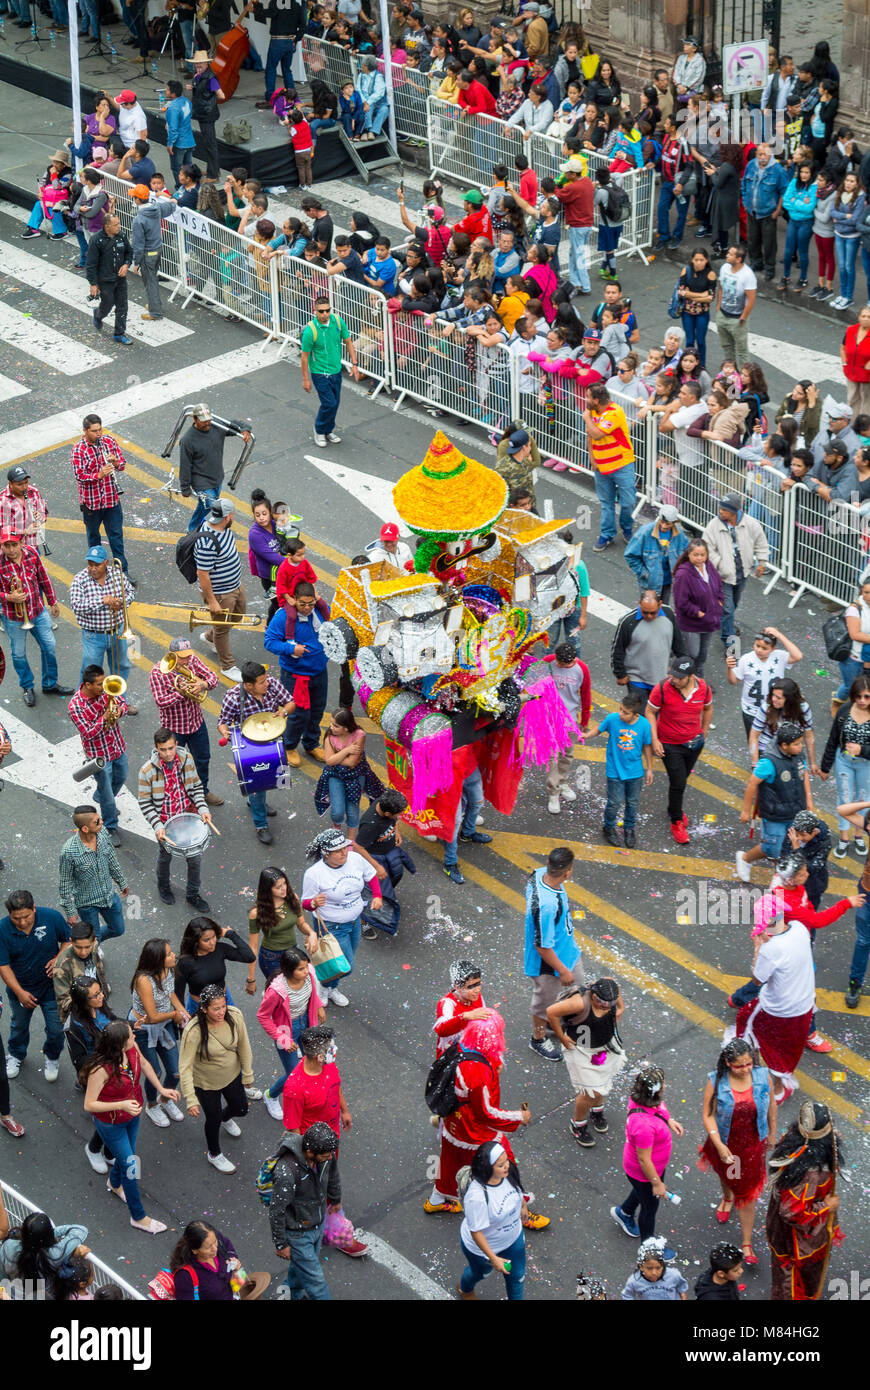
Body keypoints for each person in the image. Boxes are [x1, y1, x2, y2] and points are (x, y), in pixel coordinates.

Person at [81, 1020, 175, 1234]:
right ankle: (138, 1216)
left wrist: (161, 1088)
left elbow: (144, 1064)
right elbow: (89, 1104)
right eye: (131, 1036)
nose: (135, 1036)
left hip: (133, 1115)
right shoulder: (100, 1069)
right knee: (132, 1165)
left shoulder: (132, 1047)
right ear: (119, 1045)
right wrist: (121, 1104)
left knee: (129, 1157)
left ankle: (114, 1184)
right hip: (111, 1123)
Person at [699, 1039, 775, 1268]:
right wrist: (720, 1147)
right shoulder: (716, 1081)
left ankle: (746, 1242)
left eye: (749, 1064)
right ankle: (726, 1197)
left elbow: (771, 1104)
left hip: (751, 1147)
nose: (746, 1069)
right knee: (727, 1176)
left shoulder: (763, 1076)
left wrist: (772, 1131)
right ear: (728, 1063)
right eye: (739, 1066)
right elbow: (708, 1115)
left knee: (747, 1194)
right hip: (725, 1144)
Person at [766, 1102, 844, 1300]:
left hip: (807, 1232)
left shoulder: (794, 1139)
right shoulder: (809, 1172)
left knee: (809, 1275)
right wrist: (827, 1206)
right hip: (796, 1240)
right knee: (790, 1285)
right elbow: (791, 1212)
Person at [301, 828, 382, 1006]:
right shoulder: (314, 874)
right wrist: (313, 902)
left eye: (344, 847)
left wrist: (377, 895)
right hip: (332, 927)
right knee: (346, 966)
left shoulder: (355, 859)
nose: (344, 852)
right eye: (338, 851)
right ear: (326, 854)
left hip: (354, 922)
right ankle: (322, 985)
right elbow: (304, 903)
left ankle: (331, 988)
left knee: (342, 963)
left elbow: (371, 874)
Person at [179, 983, 255, 1174]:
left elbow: (244, 1044)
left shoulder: (235, 1015)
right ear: (204, 1009)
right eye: (216, 1008)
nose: (222, 1011)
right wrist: (190, 1098)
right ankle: (214, 1154)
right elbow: (185, 1066)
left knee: (241, 1108)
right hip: (205, 1084)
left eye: (223, 1006)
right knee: (212, 1119)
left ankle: (226, 1118)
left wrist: (247, 1072)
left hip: (232, 1075)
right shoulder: (194, 1031)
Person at [217, 662, 294, 844]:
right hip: (249, 746)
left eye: (265, 679)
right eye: (261, 682)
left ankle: (254, 802)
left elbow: (290, 703)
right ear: (248, 685)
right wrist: (224, 732)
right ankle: (261, 824)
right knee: (258, 784)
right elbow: (223, 722)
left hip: (271, 738)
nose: (266, 684)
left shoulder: (272, 684)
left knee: (268, 778)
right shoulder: (233, 697)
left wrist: (283, 712)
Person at [611, 1065, 683, 1255]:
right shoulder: (642, 1125)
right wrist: (657, 1183)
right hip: (644, 1172)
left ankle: (624, 1212)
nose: (665, 1086)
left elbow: (660, 1108)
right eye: (663, 1084)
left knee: (642, 1192)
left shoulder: (646, 1100)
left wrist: (669, 1120)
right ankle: (649, 1250)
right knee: (649, 1208)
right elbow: (644, 1160)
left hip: (652, 1171)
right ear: (657, 1090)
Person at [546, 976, 626, 1147]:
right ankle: (578, 1124)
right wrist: (561, 1037)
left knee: (601, 1083)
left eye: (609, 1003)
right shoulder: (580, 1003)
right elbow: (551, 1012)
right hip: (581, 1051)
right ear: (593, 994)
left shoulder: (610, 996)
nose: (605, 1006)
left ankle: (596, 1110)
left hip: (604, 1048)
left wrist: (620, 1008)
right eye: (600, 1001)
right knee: (589, 1092)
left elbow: (612, 983)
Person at [137, 728, 212, 910]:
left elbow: (195, 787)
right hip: (165, 823)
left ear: (176, 744)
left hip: (188, 817)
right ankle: (163, 886)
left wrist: (203, 808)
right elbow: (145, 804)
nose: (168, 754)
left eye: (171, 748)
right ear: (156, 748)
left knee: (195, 859)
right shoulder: (146, 771)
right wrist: (157, 826)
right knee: (165, 857)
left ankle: (193, 894)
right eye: (163, 750)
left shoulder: (187, 758)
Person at [0, 889, 68, 1085]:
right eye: (16, 918)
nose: (22, 923)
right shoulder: (2, 929)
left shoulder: (52, 917)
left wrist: (58, 958)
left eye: (26, 917)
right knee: (19, 1026)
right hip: (21, 989)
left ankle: (52, 1057)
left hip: (52, 988)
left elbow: (68, 940)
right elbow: (3, 966)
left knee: (56, 1029)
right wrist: (20, 993)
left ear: (34, 909)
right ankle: (16, 1054)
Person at [269, 1120, 341, 1300]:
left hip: (317, 1223)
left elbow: (333, 1176)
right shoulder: (286, 1172)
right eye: (325, 1155)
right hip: (298, 1234)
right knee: (316, 1282)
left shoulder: (325, 1156)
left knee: (300, 1268)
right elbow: (276, 1211)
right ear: (310, 1152)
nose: (330, 1158)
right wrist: (281, 1244)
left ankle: (290, 1293)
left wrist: (336, 1199)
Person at [645, 654, 713, 844]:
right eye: (672, 675)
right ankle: (676, 821)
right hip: (670, 744)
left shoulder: (704, 688)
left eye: (678, 677)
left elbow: (708, 708)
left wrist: (704, 731)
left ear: (691, 676)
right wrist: (655, 739)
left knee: (681, 780)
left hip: (694, 743)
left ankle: (672, 808)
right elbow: (650, 711)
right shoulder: (662, 688)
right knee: (679, 783)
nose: (673, 680)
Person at [523, 846, 583, 1061]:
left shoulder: (539, 874)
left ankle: (558, 1017)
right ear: (568, 872)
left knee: (575, 990)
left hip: (566, 952)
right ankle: (538, 1038)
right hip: (549, 965)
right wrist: (563, 971)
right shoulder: (547, 906)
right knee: (542, 1005)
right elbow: (542, 947)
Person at [0, 529, 68, 708]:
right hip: (13, 617)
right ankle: (27, 686)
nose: (11, 549)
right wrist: (8, 597)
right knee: (19, 654)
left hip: (37, 612)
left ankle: (50, 683)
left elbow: (43, 578)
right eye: (6, 545)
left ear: (21, 543)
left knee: (49, 647)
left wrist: (53, 602)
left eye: (14, 544)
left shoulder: (32, 554)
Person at [149, 637, 220, 802]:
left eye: (188, 656)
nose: (187, 660)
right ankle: (179, 797)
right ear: (171, 655)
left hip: (196, 723)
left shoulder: (192, 660)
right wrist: (181, 693)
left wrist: (202, 685)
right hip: (173, 728)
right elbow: (161, 701)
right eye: (182, 657)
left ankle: (202, 791)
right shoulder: (157, 672)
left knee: (202, 759)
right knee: (173, 764)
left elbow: (213, 678)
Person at [257, 947, 325, 1119]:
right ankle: (271, 1096)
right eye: (300, 969)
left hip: (307, 1023)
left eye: (306, 966)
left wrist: (319, 1006)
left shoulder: (309, 974)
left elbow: (313, 995)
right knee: (293, 1073)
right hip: (286, 1030)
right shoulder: (276, 991)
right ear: (289, 970)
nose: (306, 970)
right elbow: (263, 1016)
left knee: (312, 1062)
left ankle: (304, 1095)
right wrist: (283, 1039)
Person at [457, 1139, 528, 1301]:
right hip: (483, 1250)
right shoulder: (476, 1196)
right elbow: (476, 1232)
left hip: (513, 1241)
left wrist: (523, 1205)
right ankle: (465, 1290)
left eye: (506, 1161)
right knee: (480, 1273)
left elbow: (517, 1189)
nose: (507, 1166)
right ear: (488, 1168)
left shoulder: (509, 1173)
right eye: (500, 1165)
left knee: (517, 1278)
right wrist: (493, 1258)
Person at [128, 938, 187, 1131]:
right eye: (169, 954)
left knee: (175, 1071)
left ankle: (166, 1098)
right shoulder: (144, 980)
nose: (174, 955)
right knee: (156, 1072)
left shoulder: (168, 970)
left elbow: (171, 994)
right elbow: (151, 1017)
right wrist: (175, 1015)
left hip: (164, 1025)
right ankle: (152, 1104)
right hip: (144, 1029)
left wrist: (183, 1013)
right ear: (157, 959)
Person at [68, 667, 129, 845]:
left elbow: (123, 704)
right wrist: (104, 718)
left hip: (117, 747)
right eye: (100, 684)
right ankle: (110, 826)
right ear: (87, 684)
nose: (104, 687)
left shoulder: (106, 691)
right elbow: (87, 733)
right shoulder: (75, 706)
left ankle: (101, 796)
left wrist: (119, 711)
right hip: (99, 756)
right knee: (108, 794)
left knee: (122, 776)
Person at [586, 692, 653, 848]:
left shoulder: (644, 725)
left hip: (635, 772)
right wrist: (586, 735)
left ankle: (629, 828)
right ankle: (608, 827)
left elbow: (647, 746)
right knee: (614, 803)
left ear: (635, 714)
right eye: (621, 709)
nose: (621, 714)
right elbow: (599, 729)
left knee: (632, 802)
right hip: (614, 770)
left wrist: (649, 769)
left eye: (625, 712)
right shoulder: (612, 719)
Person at [701, 495, 769, 649]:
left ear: (735, 511)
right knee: (728, 608)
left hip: (742, 573)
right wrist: (721, 564)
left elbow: (761, 542)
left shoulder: (751, 524)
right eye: (720, 508)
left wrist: (761, 562)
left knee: (733, 604)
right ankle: (729, 641)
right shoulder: (713, 525)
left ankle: (724, 622)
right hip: (722, 576)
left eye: (724, 510)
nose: (720, 512)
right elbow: (707, 549)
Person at [69, 544, 136, 699]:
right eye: (90, 564)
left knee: (121, 667)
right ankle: (84, 703)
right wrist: (103, 601)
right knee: (90, 673)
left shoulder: (116, 574)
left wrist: (121, 602)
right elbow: (77, 606)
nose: (92, 568)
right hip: (93, 636)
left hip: (117, 631)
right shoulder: (80, 579)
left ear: (106, 563)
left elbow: (130, 591)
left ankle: (120, 701)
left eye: (97, 565)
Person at [58, 805, 128, 944]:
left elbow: (112, 859)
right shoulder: (69, 852)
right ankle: (92, 948)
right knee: (94, 939)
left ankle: (89, 942)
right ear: (85, 828)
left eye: (100, 818)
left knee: (118, 929)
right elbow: (64, 883)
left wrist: (121, 881)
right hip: (87, 904)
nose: (101, 822)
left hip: (108, 896)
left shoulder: (102, 834)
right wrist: (70, 911)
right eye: (97, 821)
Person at [70, 417, 130, 577]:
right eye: (94, 431)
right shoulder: (79, 450)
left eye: (100, 430)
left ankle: (122, 572)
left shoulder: (108, 441)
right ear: (85, 431)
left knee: (116, 536)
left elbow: (122, 464)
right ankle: (96, 572)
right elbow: (79, 475)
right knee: (94, 538)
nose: (98, 434)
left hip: (111, 499)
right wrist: (99, 475)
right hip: (92, 504)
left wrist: (115, 462)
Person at [180, 404, 252, 533]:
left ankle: (196, 529)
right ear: (195, 419)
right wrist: (185, 488)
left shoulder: (217, 426)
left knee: (204, 508)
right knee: (211, 508)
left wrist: (245, 430)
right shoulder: (188, 440)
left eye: (209, 419)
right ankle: (192, 532)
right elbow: (185, 466)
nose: (207, 423)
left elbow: (237, 424)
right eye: (203, 421)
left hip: (217, 478)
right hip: (201, 483)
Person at [299, 295, 359, 447]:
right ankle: (319, 430)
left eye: (327, 310)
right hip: (319, 373)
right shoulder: (310, 331)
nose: (325, 314)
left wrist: (354, 363)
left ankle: (328, 430)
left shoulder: (338, 321)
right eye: (321, 311)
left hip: (336, 371)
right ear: (315, 311)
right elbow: (304, 357)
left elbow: (348, 342)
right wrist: (305, 379)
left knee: (335, 402)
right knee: (329, 403)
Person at [582, 381, 636, 551]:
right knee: (606, 503)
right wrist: (592, 457)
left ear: (596, 400)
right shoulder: (592, 412)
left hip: (622, 464)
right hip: (601, 466)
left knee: (628, 502)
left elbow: (597, 434)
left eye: (588, 397)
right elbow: (590, 435)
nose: (585, 399)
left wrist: (586, 419)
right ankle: (607, 534)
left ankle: (627, 527)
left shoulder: (614, 412)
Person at [355, 787, 415, 936]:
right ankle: (363, 921)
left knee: (396, 875)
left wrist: (396, 832)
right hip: (373, 859)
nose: (401, 815)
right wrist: (377, 867)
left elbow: (395, 820)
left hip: (389, 852)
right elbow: (358, 847)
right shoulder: (370, 825)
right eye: (398, 813)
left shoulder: (386, 803)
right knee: (369, 892)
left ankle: (385, 896)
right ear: (387, 813)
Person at [610, 589, 685, 702]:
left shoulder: (668, 614)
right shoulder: (628, 622)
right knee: (643, 717)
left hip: (661, 679)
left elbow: (678, 643)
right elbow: (617, 650)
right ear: (639, 603)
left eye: (653, 613)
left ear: (660, 604)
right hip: (637, 680)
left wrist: (684, 668)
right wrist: (620, 674)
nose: (649, 616)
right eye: (645, 612)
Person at [727, 626, 802, 736]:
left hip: (774, 708)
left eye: (764, 648)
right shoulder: (746, 659)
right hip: (752, 711)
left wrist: (779, 635)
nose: (759, 650)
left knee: (775, 740)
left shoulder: (779, 656)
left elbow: (798, 656)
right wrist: (729, 668)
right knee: (755, 740)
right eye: (757, 646)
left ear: (773, 648)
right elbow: (733, 681)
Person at [541, 642, 590, 813]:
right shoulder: (548, 661)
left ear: (573, 661)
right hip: (549, 717)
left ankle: (561, 782)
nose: (559, 665)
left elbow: (586, 695)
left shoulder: (582, 669)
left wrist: (585, 720)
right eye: (558, 662)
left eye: (563, 664)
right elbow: (533, 683)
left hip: (569, 717)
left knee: (567, 754)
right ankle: (553, 792)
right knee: (552, 755)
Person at [169, 1220, 271, 1301]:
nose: (215, 1249)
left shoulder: (217, 1239)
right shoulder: (184, 1277)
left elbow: (229, 1249)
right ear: (195, 1250)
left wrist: (237, 1269)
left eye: (215, 1242)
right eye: (209, 1247)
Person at [175, 915, 256, 1014]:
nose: (212, 942)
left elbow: (249, 957)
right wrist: (182, 1015)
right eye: (206, 940)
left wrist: (231, 934)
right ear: (195, 942)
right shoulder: (185, 962)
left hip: (224, 1002)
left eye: (214, 937)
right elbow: (178, 993)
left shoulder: (220, 949)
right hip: (198, 1008)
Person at [671, 539, 724, 676]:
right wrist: (698, 613)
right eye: (696, 555)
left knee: (703, 653)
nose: (700, 558)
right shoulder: (683, 574)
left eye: (702, 555)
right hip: (692, 623)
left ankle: (698, 680)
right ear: (689, 554)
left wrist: (720, 600)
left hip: (709, 619)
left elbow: (717, 583)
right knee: (692, 653)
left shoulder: (709, 566)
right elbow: (681, 602)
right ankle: (682, 676)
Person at [0, 1209, 89, 1284]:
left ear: (23, 1233)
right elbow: (80, 1230)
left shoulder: (8, 1247)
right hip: (41, 1294)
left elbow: (2, 1274)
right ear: (49, 1234)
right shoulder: (55, 1254)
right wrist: (50, 1233)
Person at [742, 143, 788, 282]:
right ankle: (756, 262)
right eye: (759, 155)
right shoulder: (751, 165)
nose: (762, 157)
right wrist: (745, 202)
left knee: (769, 243)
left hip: (768, 213)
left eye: (765, 155)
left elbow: (784, 192)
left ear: (770, 154)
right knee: (752, 240)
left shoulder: (778, 170)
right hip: (752, 211)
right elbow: (744, 184)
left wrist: (778, 210)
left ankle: (769, 267)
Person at [86, 213, 133, 346]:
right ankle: (98, 314)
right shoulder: (96, 240)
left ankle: (119, 333)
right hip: (105, 280)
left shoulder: (122, 236)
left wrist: (126, 264)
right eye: (116, 225)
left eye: (118, 224)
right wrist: (93, 283)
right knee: (108, 304)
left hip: (120, 279)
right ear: (107, 226)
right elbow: (91, 264)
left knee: (122, 306)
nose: (119, 227)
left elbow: (129, 252)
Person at [442, 762, 493, 886]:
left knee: (477, 802)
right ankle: (450, 863)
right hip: (447, 773)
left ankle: (467, 833)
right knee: (454, 821)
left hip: (469, 767)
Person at [623, 505, 688, 602]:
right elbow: (630, 555)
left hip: (667, 582)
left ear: (675, 523)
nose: (664, 526)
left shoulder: (679, 535)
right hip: (649, 584)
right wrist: (644, 574)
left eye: (668, 524)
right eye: (662, 522)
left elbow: (687, 555)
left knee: (663, 610)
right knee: (647, 613)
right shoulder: (645, 532)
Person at [714, 246, 757, 366]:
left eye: (730, 254)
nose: (727, 255)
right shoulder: (724, 268)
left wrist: (743, 317)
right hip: (722, 315)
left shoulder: (748, 275)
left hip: (737, 319)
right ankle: (731, 379)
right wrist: (718, 307)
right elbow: (721, 288)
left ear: (738, 259)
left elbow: (751, 299)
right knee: (727, 349)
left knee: (742, 352)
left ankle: (745, 381)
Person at [187, 52, 224, 182]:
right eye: (196, 63)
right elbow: (201, 88)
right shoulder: (200, 76)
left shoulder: (210, 78)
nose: (198, 65)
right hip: (202, 114)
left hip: (207, 115)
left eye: (200, 63)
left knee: (210, 144)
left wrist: (209, 102)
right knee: (209, 143)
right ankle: (214, 170)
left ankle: (213, 175)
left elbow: (221, 95)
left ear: (207, 63)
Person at [621, 1236, 688, 1300]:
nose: (654, 1273)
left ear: (663, 1265)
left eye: (658, 1268)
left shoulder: (674, 1275)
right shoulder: (634, 1281)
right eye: (649, 1268)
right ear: (641, 1266)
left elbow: (682, 1290)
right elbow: (627, 1296)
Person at [0, 465, 48, 548]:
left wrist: (40, 516)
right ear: (10, 484)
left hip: (33, 547)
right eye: (20, 484)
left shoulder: (34, 492)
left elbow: (44, 513)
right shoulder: (2, 501)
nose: (25, 487)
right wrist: (24, 531)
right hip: (12, 551)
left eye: (26, 482)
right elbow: (2, 531)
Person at [841, 305, 870, 418]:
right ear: (859, 317)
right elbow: (843, 348)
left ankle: (864, 427)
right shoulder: (850, 330)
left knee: (866, 402)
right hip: (851, 373)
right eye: (863, 316)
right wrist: (844, 363)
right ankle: (852, 425)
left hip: (867, 375)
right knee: (852, 399)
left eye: (869, 317)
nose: (866, 319)